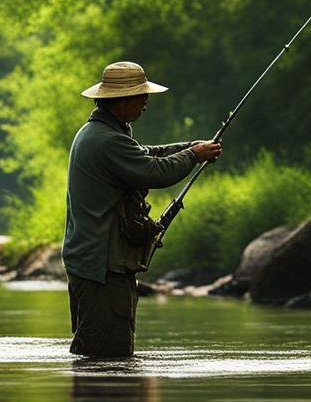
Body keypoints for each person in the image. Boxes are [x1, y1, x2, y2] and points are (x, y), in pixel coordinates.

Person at [63, 61, 222, 358]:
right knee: (109, 354)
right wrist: (193, 155)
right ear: (121, 101)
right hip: (102, 266)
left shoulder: (102, 133)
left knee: (96, 355)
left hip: (96, 262)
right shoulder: (107, 141)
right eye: (141, 97)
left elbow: (147, 154)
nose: (147, 103)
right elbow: (155, 172)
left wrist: (191, 147)